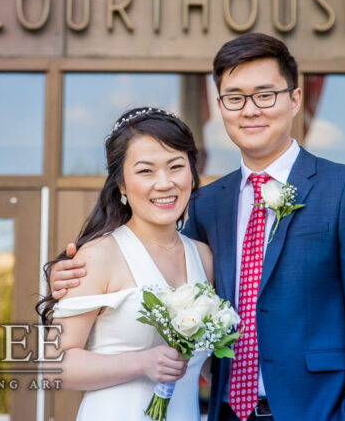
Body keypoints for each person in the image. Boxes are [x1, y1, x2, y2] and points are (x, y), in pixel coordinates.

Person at [52, 33, 345, 421]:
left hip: (319, 411)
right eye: (235, 98)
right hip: (227, 412)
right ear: (220, 107)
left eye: (265, 95)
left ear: (295, 99)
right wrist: (69, 277)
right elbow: (161, 277)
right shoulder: (208, 203)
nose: (250, 110)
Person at [38, 107, 215, 421]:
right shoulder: (100, 255)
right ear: (121, 183)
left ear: (192, 171)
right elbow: (54, 364)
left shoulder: (204, 257)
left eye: (176, 166)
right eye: (146, 171)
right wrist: (141, 363)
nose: (164, 183)